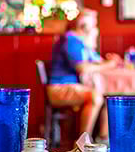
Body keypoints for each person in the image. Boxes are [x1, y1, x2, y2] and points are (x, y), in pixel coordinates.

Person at [47, 9, 122, 143]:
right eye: (94, 25)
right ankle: (82, 143)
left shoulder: (81, 42)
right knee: (94, 97)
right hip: (59, 88)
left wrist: (110, 62)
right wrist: (109, 64)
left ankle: (103, 140)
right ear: (84, 26)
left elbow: (97, 61)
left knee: (106, 96)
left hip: (72, 86)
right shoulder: (70, 40)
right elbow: (82, 68)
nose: (96, 28)